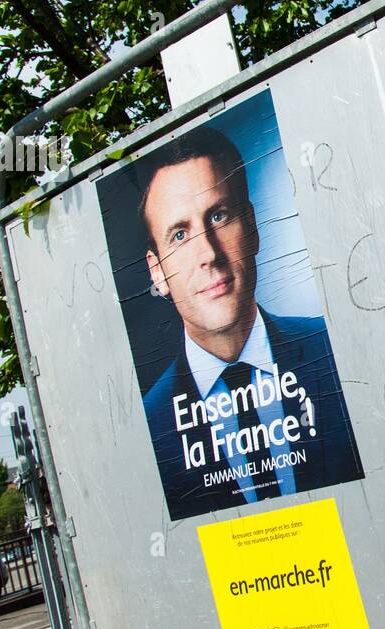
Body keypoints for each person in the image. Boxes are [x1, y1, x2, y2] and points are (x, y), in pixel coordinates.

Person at [136, 124, 361, 520]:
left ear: (253, 227)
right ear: (157, 272)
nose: (208, 252)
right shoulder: (149, 427)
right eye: (180, 235)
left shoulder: (339, 348)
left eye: (219, 216)